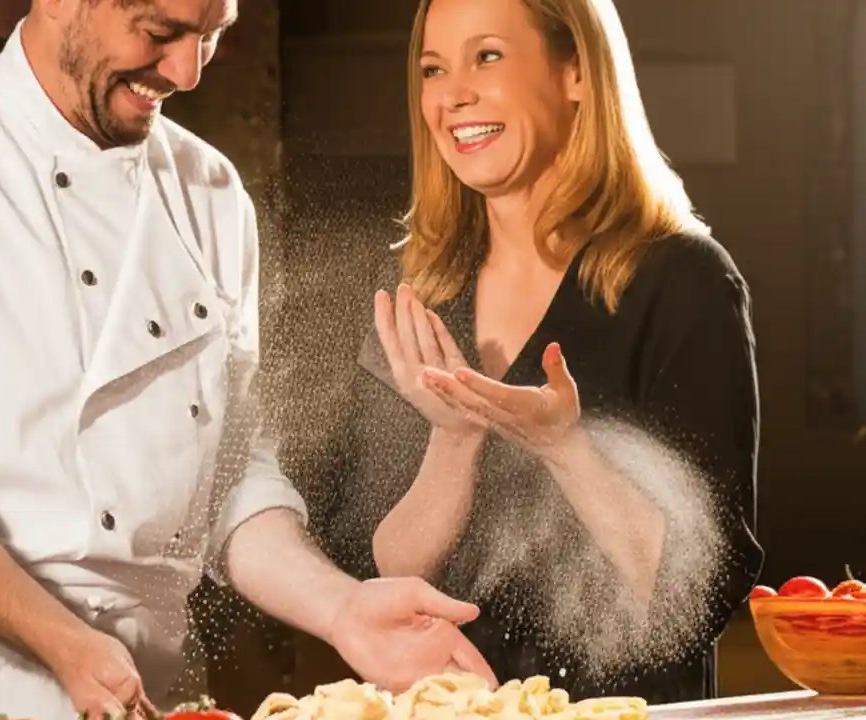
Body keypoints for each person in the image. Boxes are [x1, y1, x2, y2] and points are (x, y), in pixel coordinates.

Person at [0, 1, 496, 718]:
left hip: (152, 690)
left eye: (212, 38)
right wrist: (66, 643)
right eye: (160, 34)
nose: (187, 72)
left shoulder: (210, 193)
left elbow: (229, 479)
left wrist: (343, 609)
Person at [295, 0, 764, 705]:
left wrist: (566, 448)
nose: (452, 95)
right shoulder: (421, 290)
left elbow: (695, 592)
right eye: (432, 68)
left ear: (575, 71)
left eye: (487, 56)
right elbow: (381, 569)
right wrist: (454, 441)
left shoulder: (683, 282)